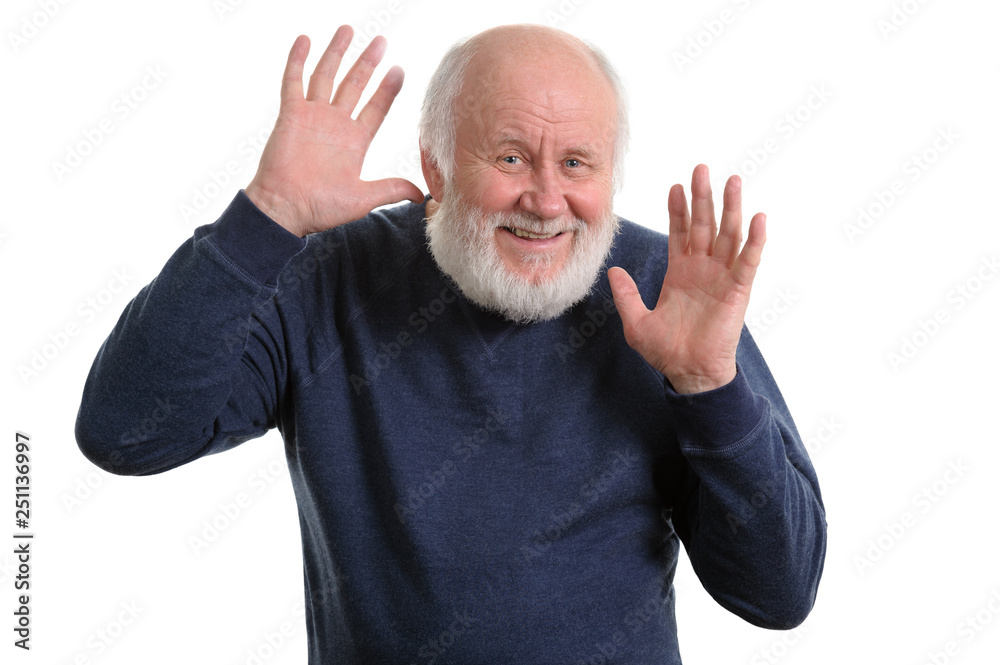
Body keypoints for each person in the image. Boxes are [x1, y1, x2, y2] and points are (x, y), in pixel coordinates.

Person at [76, 23, 826, 664]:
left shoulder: (667, 288)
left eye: (576, 163)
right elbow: (124, 433)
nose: (545, 198)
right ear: (435, 166)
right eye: (508, 157)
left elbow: (779, 593)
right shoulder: (330, 273)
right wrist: (265, 219)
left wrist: (708, 387)